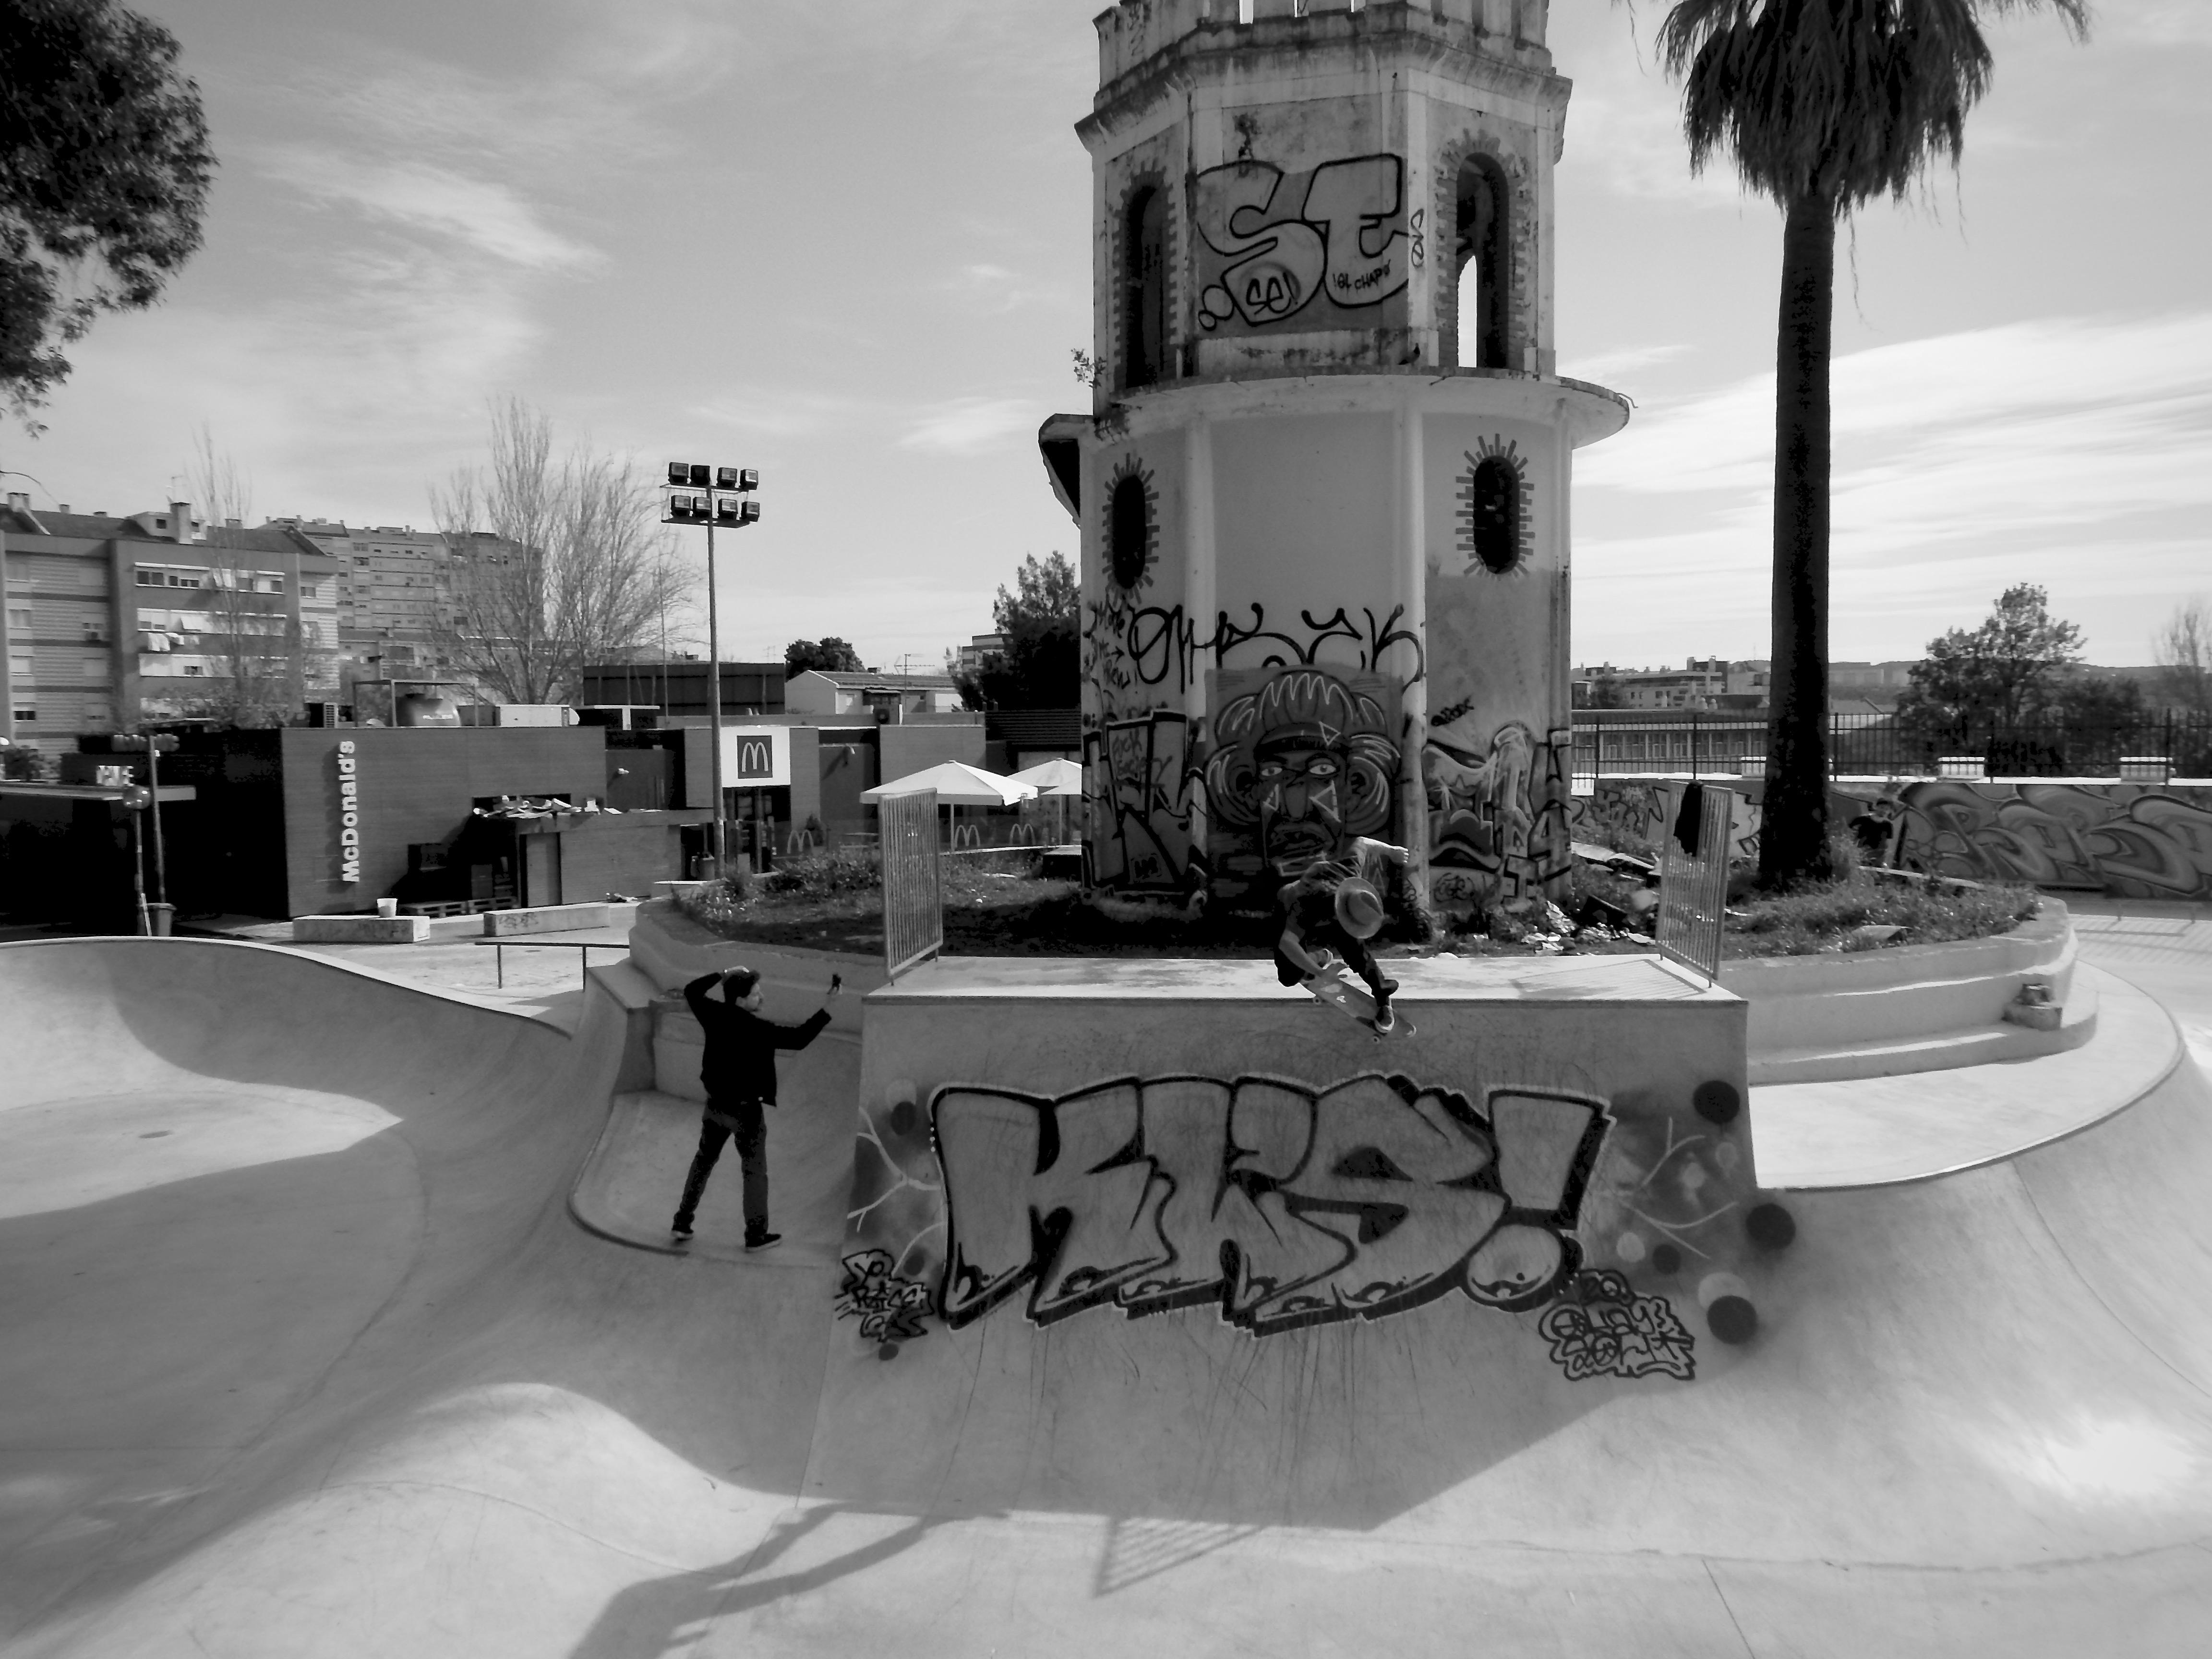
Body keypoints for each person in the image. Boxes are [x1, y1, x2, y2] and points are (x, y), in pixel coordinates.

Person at [672, 966, 841, 1249]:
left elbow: (692, 991)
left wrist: (723, 973)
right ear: (740, 999)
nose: (761, 998)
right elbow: (799, 1039)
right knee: (754, 1172)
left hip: (715, 1106)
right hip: (746, 1112)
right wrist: (828, 1007)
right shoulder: (759, 1029)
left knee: (703, 1161)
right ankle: (756, 1235)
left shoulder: (713, 1013)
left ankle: (682, 1222)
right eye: (755, 994)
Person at [1274, 835, 1410, 1031]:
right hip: (1288, 904)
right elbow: (1287, 943)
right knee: (1289, 977)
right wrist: (1320, 973)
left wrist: (1392, 851)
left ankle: (1383, 996)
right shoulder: (1305, 905)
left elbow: (1362, 842)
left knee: (1356, 951)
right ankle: (1319, 957)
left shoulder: (1350, 872)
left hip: (1333, 905)